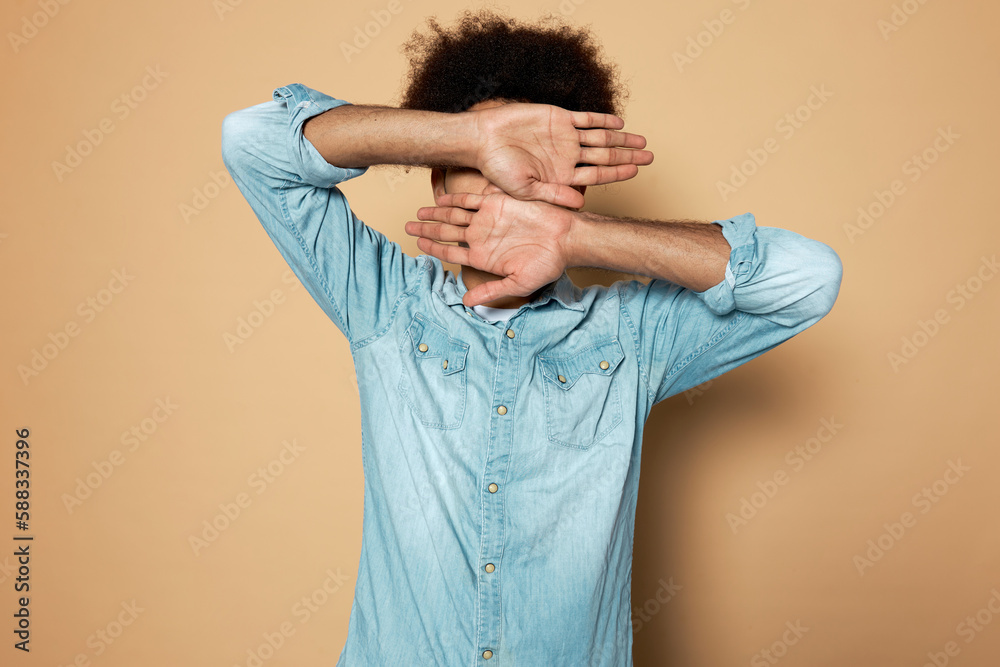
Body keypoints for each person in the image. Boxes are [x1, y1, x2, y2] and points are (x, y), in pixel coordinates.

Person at [220, 9, 843, 665]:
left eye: (537, 184)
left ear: (576, 194)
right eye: (484, 172)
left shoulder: (632, 336)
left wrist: (580, 239)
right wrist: (468, 134)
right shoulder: (383, 306)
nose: (509, 204)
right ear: (439, 180)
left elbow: (809, 279)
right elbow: (250, 140)